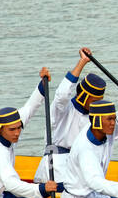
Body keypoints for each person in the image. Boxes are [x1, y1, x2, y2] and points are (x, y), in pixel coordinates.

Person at [0, 68, 60, 198]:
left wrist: (43, 84)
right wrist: (41, 189)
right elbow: (11, 183)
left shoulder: (9, 125)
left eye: (19, 128)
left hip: (0, 191)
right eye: (12, 130)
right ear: (1, 128)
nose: (17, 133)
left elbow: (30, 107)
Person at [32, 48, 106, 183]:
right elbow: (63, 94)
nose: (98, 105)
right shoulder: (61, 109)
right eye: (95, 101)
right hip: (54, 171)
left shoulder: (96, 118)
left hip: (75, 171)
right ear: (84, 96)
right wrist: (82, 62)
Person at [59, 95, 118, 198]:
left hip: (97, 196)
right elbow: (95, 181)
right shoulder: (85, 148)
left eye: (114, 118)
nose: (113, 123)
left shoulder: (103, 130)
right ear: (96, 121)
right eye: (109, 119)